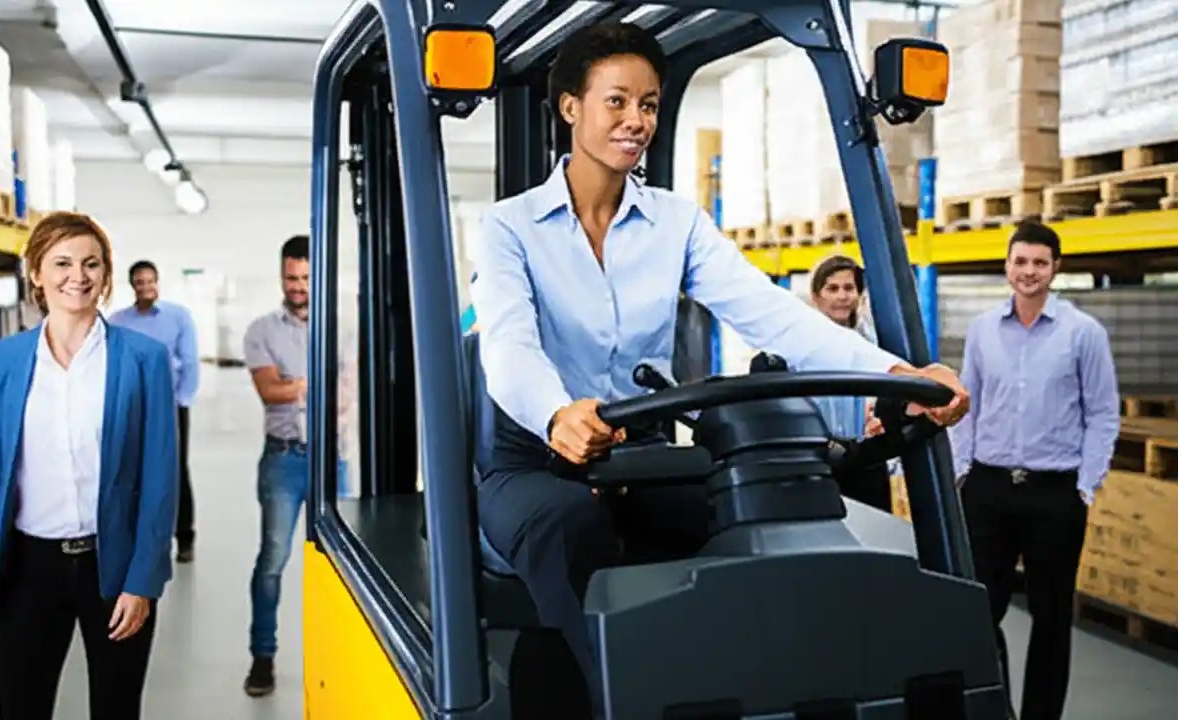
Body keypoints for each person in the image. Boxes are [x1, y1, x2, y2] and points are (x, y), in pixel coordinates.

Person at [469, 21, 970, 714]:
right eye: (617, 101)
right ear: (570, 108)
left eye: (648, 104)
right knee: (567, 526)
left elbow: (771, 313)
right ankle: (618, 698)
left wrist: (896, 373)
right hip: (534, 455)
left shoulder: (676, 222)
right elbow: (509, 346)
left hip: (636, 447)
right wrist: (558, 414)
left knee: (744, 505)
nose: (636, 121)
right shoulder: (509, 228)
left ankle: (762, 689)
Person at [0, 211, 179, 720]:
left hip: (111, 567)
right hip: (29, 569)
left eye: (92, 264)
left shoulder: (144, 359)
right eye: (63, 263)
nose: (79, 276)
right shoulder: (3, 363)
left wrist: (142, 581)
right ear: (36, 273)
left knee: (116, 710)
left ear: (105, 274)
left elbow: (161, 480)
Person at [948, 221, 1119, 720]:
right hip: (987, 489)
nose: (1029, 272)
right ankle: (992, 710)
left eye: (1039, 263)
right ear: (1007, 265)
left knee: (1050, 619)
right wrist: (963, 470)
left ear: (1055, 269)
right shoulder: (982, 330)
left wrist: (1085, 486)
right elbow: (967, 406)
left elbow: (1104, 412)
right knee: (979, 613)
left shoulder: (1083, 333)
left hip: (1054, 495)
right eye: (1020, 261)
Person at [241, 235, 310, 697]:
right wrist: (313, 382)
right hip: (284, 458)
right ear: (280, 276)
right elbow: (271, 391)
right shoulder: (261, 330)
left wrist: (296, 383)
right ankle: (262, 657)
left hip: (334, 461)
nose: (299, 286)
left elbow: (349, 390)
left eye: (306, 277)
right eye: (291, 277)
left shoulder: (341, 324)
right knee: (273, 561)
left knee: (343, 564)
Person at [109, 260, 201, 562]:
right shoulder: (119, 322)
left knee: (174, 470)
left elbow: (189, 362)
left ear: (157, 282)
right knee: (133, 470)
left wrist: (182, 401)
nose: (146, 286)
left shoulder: (177, 317)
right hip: (134, 407)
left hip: (170, 406)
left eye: (150, 281)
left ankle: (184, 537)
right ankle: (140, 539)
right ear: (132, 285)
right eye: (139, 281)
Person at [807, 254, 892, 512]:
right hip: (820, 459)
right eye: (832, 289)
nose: (842, 296)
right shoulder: (802, 345)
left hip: (867, 455)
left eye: (848, 288)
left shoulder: (870, 341)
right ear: (816, 296)